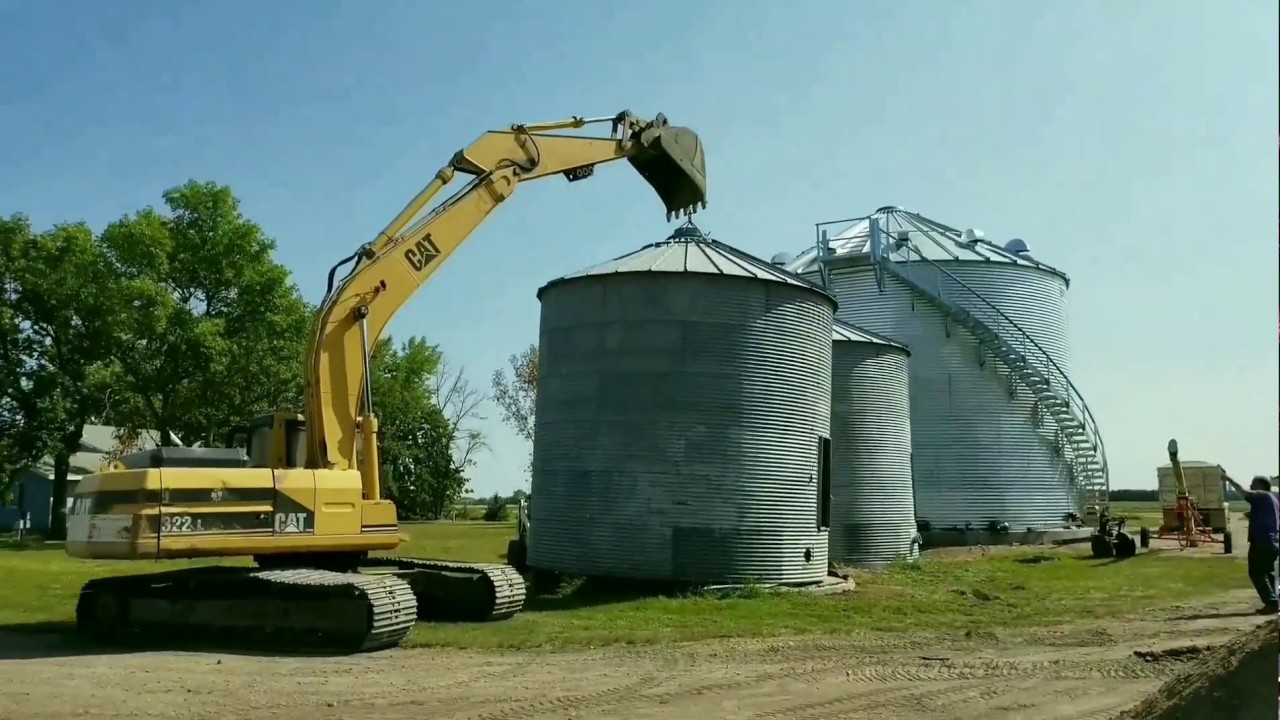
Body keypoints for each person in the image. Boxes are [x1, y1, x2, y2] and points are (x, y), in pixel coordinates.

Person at [1224, 473, 1279, 614]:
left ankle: (1272, 602)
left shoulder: (1262, 495)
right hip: (1272, 541)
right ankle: (1274, 601)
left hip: (1262, 541)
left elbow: (1243, 491)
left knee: (1256, 572)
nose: (1251, 486)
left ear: (1260, 486)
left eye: (1253, 484)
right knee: (1267, 572)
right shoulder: (1272, 498)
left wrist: (1227, 478)